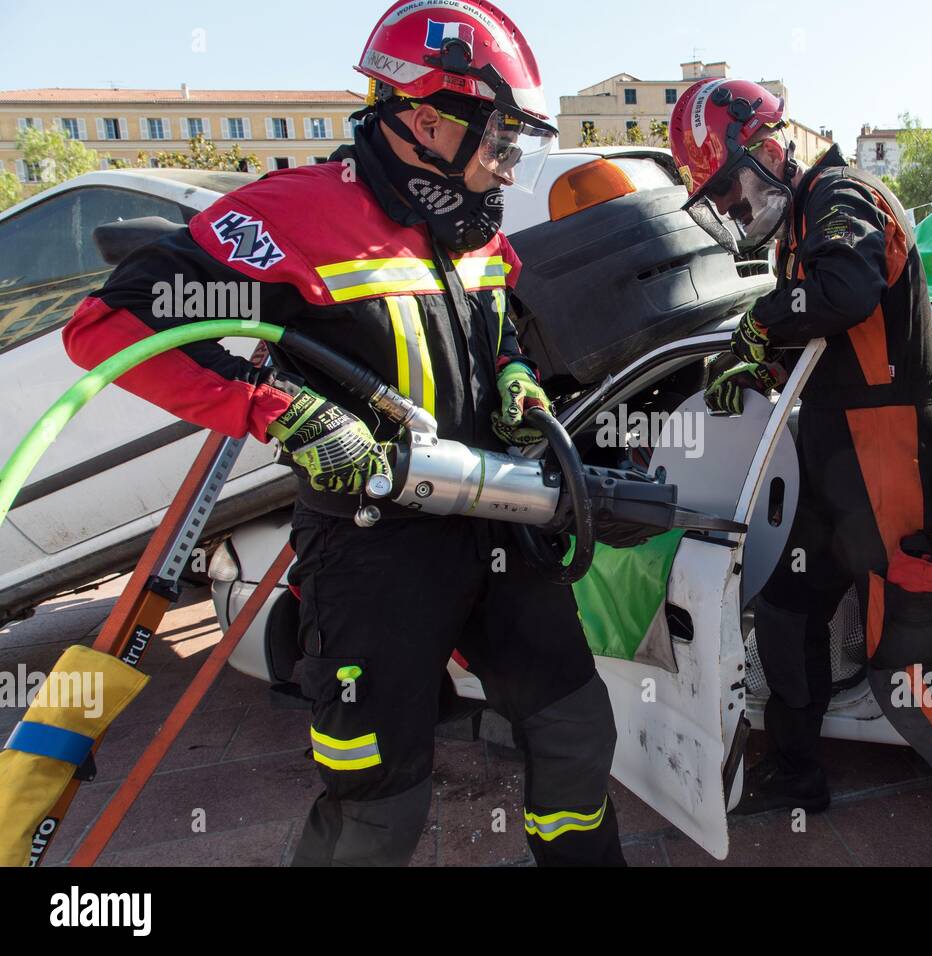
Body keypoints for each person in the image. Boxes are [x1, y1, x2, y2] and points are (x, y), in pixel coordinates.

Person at [62, 0, 625, 867]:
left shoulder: (469, 225)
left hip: (496, 525)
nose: (508, 168)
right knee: (378, 807)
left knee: (577, 730)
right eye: (499, 142)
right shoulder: (295, 216)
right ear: (425, 120)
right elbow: (110, 324)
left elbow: (499, 313)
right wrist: (281, 411)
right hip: (373, 553)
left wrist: (513, 371)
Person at [671, 77, 932, 866]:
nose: (732, 210)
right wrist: (757, 363)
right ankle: (799, 774)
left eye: (729, 189)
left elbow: (843, 292)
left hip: (887, 459)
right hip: (836, 464)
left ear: (768, 147)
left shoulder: (842, 192)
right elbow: (827, 336)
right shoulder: (802, 219)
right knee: (790, 610)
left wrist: (756, 328)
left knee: (907, 670)